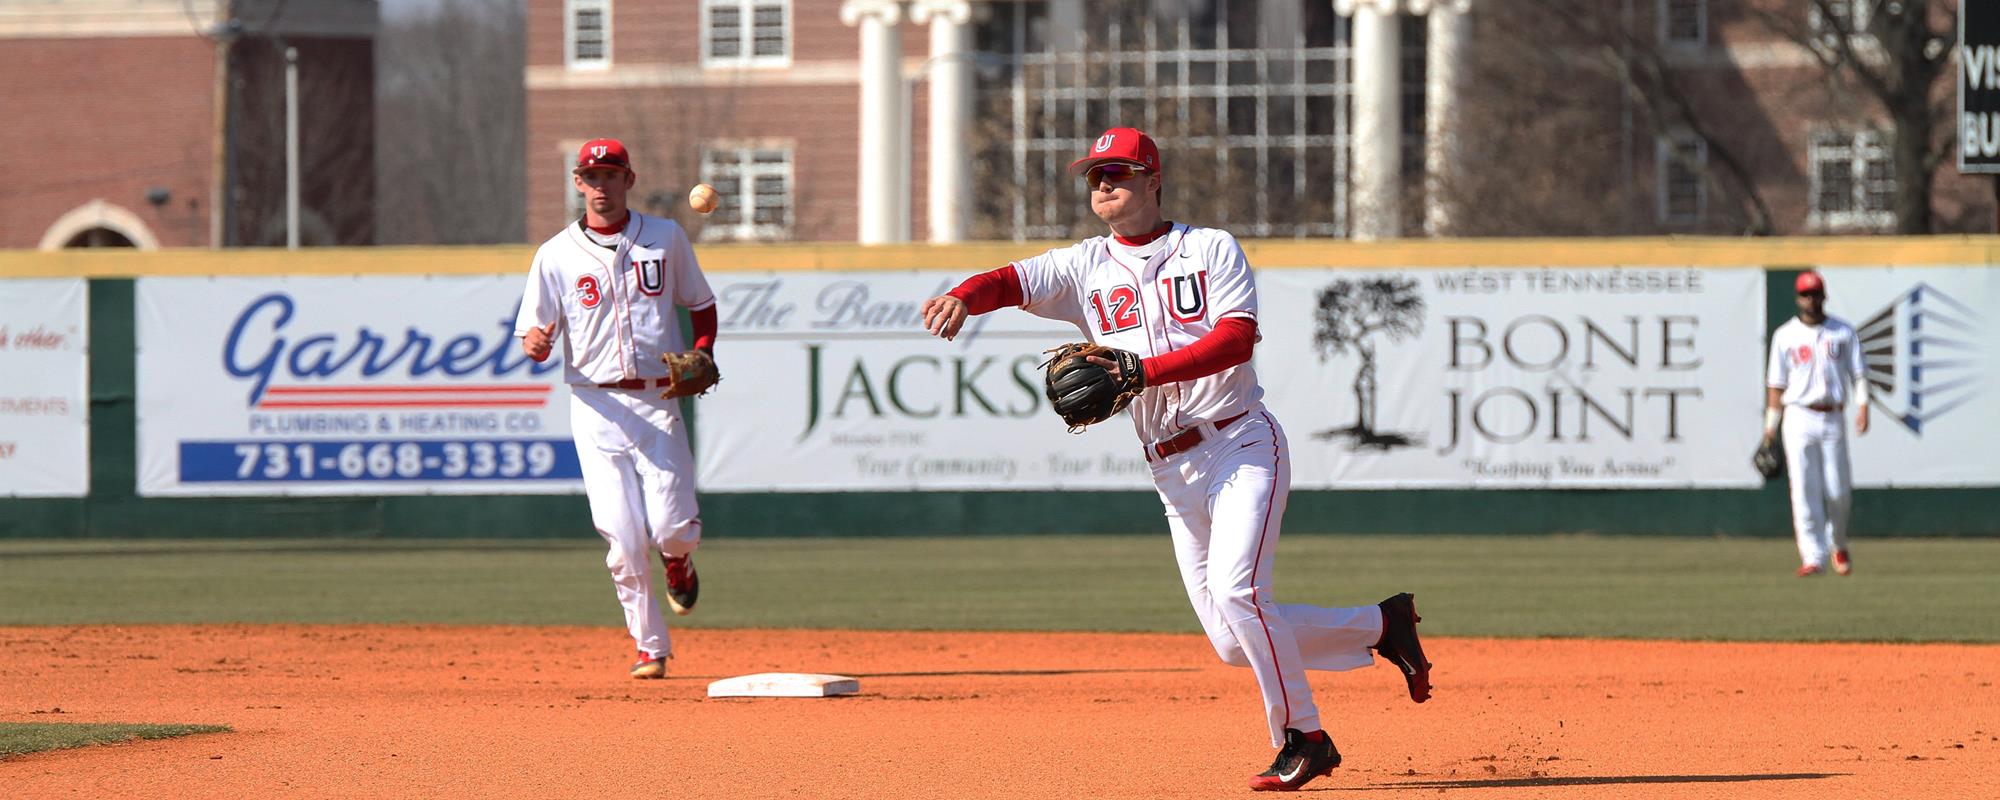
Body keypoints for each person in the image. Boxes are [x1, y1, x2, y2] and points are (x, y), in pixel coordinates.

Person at [919, 127, 1432, 792]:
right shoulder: (1083, 268)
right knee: (1229, 638)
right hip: (1168, 467)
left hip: (1240, 443)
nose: (1104, 184)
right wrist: (964, 294)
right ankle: (1380, 624)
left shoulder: (1210, 249)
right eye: (1095, 175)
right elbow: (1009, 280)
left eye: (1119, 172)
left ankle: (1304, 738)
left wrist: (1142, 369)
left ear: (1152, 178)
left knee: (1241, 594)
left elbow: (1235, 341)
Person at [516, 138, 717, 678]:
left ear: (628, 180)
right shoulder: (555, 254)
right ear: (578, 184)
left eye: (610, 174)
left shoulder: (665, 237)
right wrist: (535, 344)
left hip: (657, 399)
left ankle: (678, 559)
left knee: (671, 528)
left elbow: (701, 304)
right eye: (590, 176)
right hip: (595, 405)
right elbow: (533, 331)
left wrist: (703, 351)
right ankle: (650, 646)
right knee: (622, 537)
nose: (600, 185)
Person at [1763, 270, 1867, 577]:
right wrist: (1770, 427)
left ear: (1824, 296)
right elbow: (1776, 385)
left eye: (1815, 293)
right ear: (1798, 298)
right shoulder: (1785, 335)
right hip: (1797, 414)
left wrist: (1863, 407)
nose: (1811, 299)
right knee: (1803, 490)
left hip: (1832, 414)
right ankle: (1813, 556)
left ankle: (1839, 542)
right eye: (1806, 294)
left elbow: (1859, 373)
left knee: (1838, 490)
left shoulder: (1842, 332)